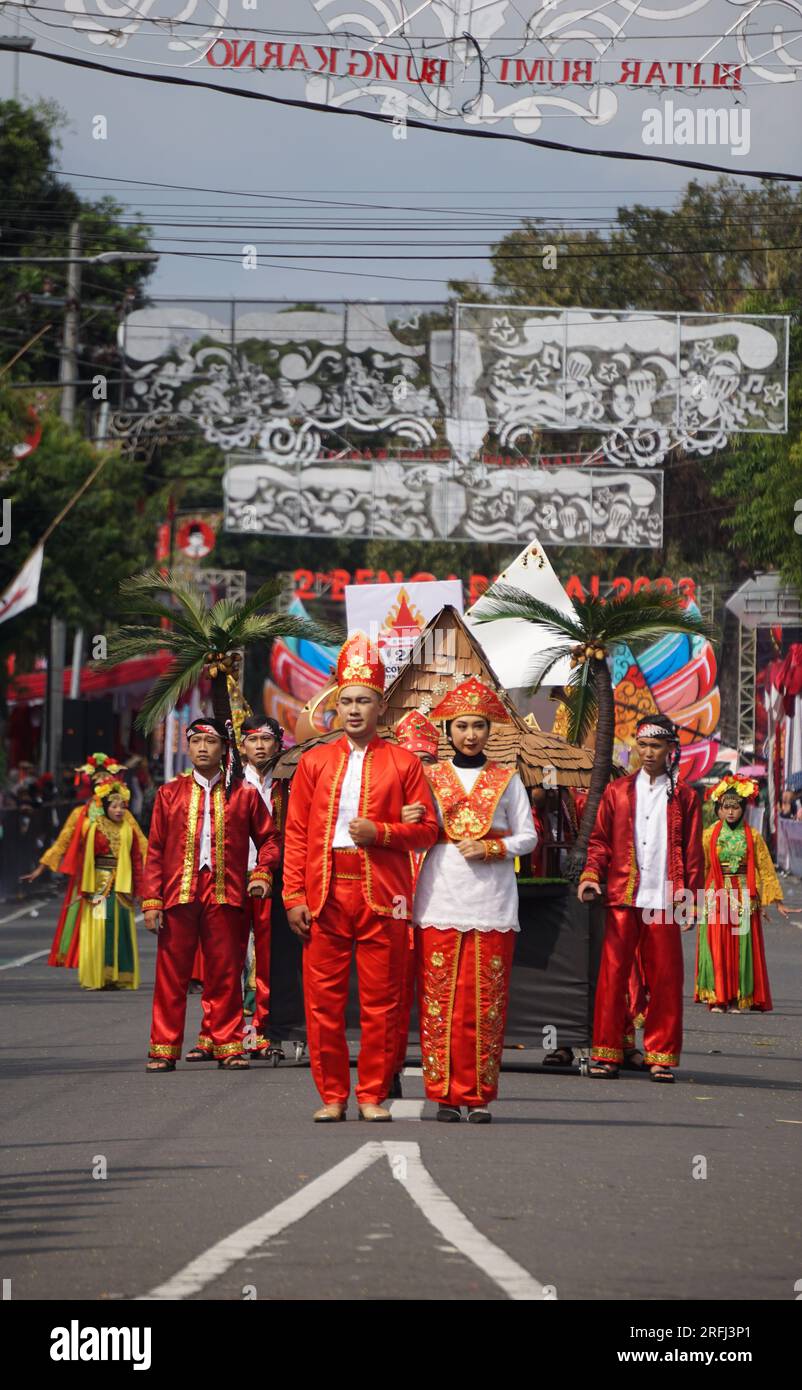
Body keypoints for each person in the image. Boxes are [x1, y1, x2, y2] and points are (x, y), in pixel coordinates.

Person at [282, 633, 439, 1122]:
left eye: (363, 701)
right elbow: (297, 834)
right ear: (336, 705)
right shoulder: (313, 761)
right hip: (325, 891)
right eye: (346, 701)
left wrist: (382, 831)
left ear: (379, 705)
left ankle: (371, 1093)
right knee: (323, 1002)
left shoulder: (405, 762)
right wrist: (292, 895)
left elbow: (427, 831)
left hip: (384, 893)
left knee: (382, 1002)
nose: (354, 710)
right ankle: (332, 1095)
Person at [410, 677, 537, 1123]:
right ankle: (444, 1094)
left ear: (489, 730)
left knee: (485, 1003)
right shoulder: (427, 778)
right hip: (439, 899)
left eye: (478, 726)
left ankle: (479, 1095)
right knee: (439, 1001)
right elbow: (413, 830)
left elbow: (528, 836)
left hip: (493, 904)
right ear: (448, 731)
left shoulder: (507, 780)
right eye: (461, 726)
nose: (469, 734)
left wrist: (493, 848)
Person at [142, 717, 281, 1073]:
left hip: (226, 892)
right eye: (196, 742)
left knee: (224, 972)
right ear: (187, 749)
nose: (203, 749)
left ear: (224, 749)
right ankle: (163, 1048)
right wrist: (152, 899)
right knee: (171, 976)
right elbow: (155, 849)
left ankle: (228, 1044)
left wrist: (263, 872)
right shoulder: (168, 794)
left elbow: (269, 839)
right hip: (179, 892)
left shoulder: (244, 795)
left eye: (211, 742)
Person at [578, 715, 704, 1083]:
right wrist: (590, 875)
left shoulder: (686, 797)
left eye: (656, 746)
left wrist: (691, 899)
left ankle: (661, 1055)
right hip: (622, 894)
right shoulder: (617, 792)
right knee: (612, 976)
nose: (648, 753)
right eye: (643, 745)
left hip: (664, 899)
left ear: (670, 749)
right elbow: (600, 841)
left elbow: (692, 851)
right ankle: (607, 1052)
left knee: (665, 978)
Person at [695, 776, 794, 1013]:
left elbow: (765, 867)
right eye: (726, 807)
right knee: (717, 946)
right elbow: (702, 867)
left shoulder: (753, 836)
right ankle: (718, 997)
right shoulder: (709, 835)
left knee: (742, 948)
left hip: (742, 895)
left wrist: (777, 900)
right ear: (719, 809)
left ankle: (739, 997)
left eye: (735, 807)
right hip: (716, 895)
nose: (731, 812)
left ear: (742, 809)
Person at [21, 753, 126, 968]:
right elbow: (63, 841)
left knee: (109, 920)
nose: (100, 782)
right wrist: (41, 867)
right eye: (97, 779)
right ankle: (87, 961)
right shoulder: (82, 813)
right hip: (87, 875)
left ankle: (106, 963)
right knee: (92, 918)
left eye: (105, 778)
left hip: (114, 875)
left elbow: (140, 844)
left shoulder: (120, 812)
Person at [393, 708, 440, 1097]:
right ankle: (387, 1069)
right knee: (390, 1000)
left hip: (440, 914)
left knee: (439, 998)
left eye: (426, 760)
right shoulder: (383, 801)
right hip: (392, 913)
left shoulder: (453, 805)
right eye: (412, 760)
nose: (419, 769)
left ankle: (439, 1075)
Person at [63, 779, 148, 990]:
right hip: (99, 888)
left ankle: (120, 976)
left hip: (122, 887)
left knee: (122, 930)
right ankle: (99, 976)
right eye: (114, 806)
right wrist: (84, 889)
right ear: (105, 807)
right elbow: (86, 859)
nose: (119, 810)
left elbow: (137, 860)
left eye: (122, 806)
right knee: (101, 929)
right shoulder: (94, 828)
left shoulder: (129, 829)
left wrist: (140, 890)